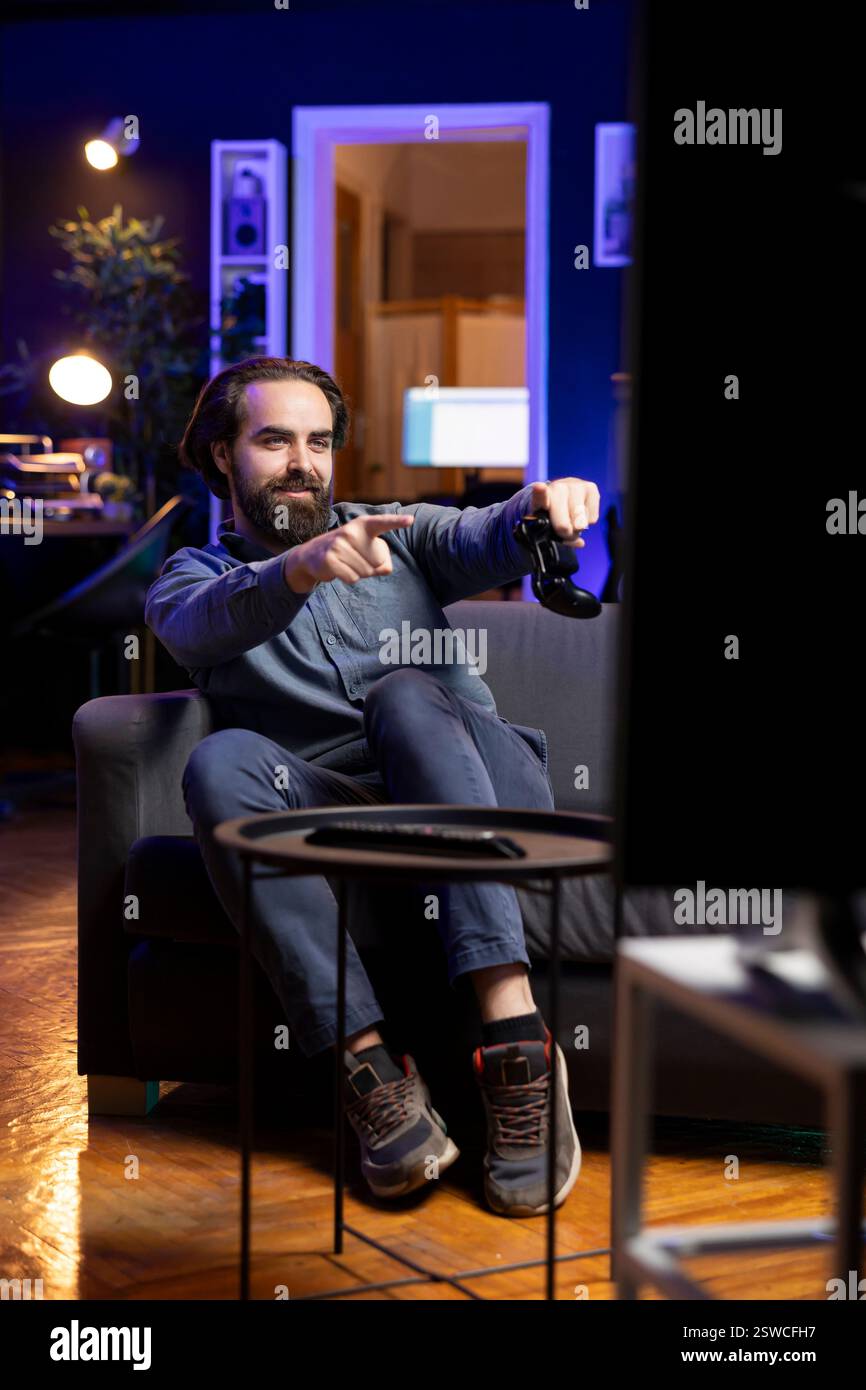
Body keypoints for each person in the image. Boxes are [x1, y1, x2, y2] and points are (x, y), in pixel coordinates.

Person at [145, 356, 600, 1217]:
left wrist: (546, 501)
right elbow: (199, 630)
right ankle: (375, 1077)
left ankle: (517, 1040)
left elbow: (484, 533)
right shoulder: (190, 578)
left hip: (479, 792)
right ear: (220, 456)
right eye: (274, 440)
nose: (303, 462)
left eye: (319, 441)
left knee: (403, 691)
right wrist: (299, 569)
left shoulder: (399, 532)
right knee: (221, 759)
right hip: (343, 813)